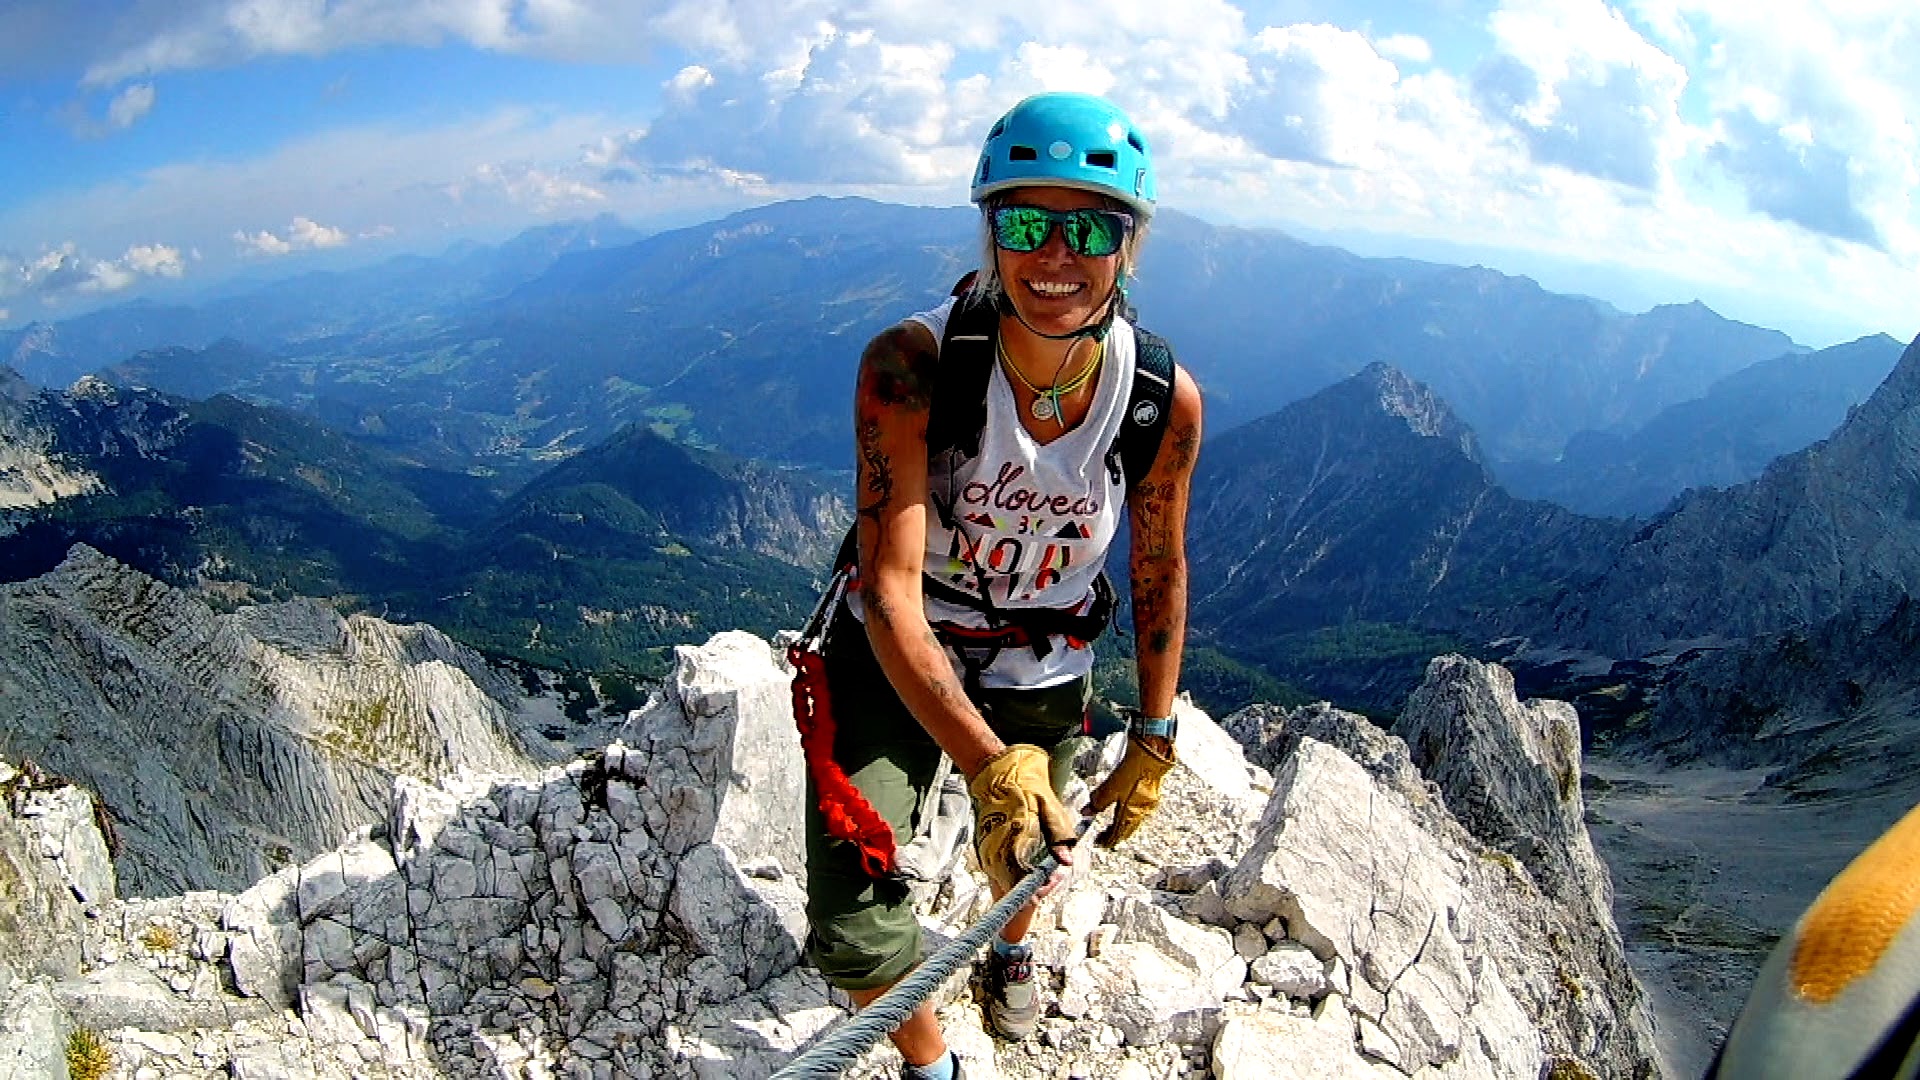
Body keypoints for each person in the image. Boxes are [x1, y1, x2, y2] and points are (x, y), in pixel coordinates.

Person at [802, 92, 1203, 1080]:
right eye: (1025, 222)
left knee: (1030, 853)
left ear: (1130, 246)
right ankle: (934, 1067)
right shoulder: (911, 366)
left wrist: (1152, 736)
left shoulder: (1159, 400)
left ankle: (1008, 947)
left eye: (1090, 228)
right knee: (853, 925)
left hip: (1047, 653)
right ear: (990, 230)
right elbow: (891, 589)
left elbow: (1158, 565)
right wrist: (992, 769)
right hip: (902, 644)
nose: (1055, 255)